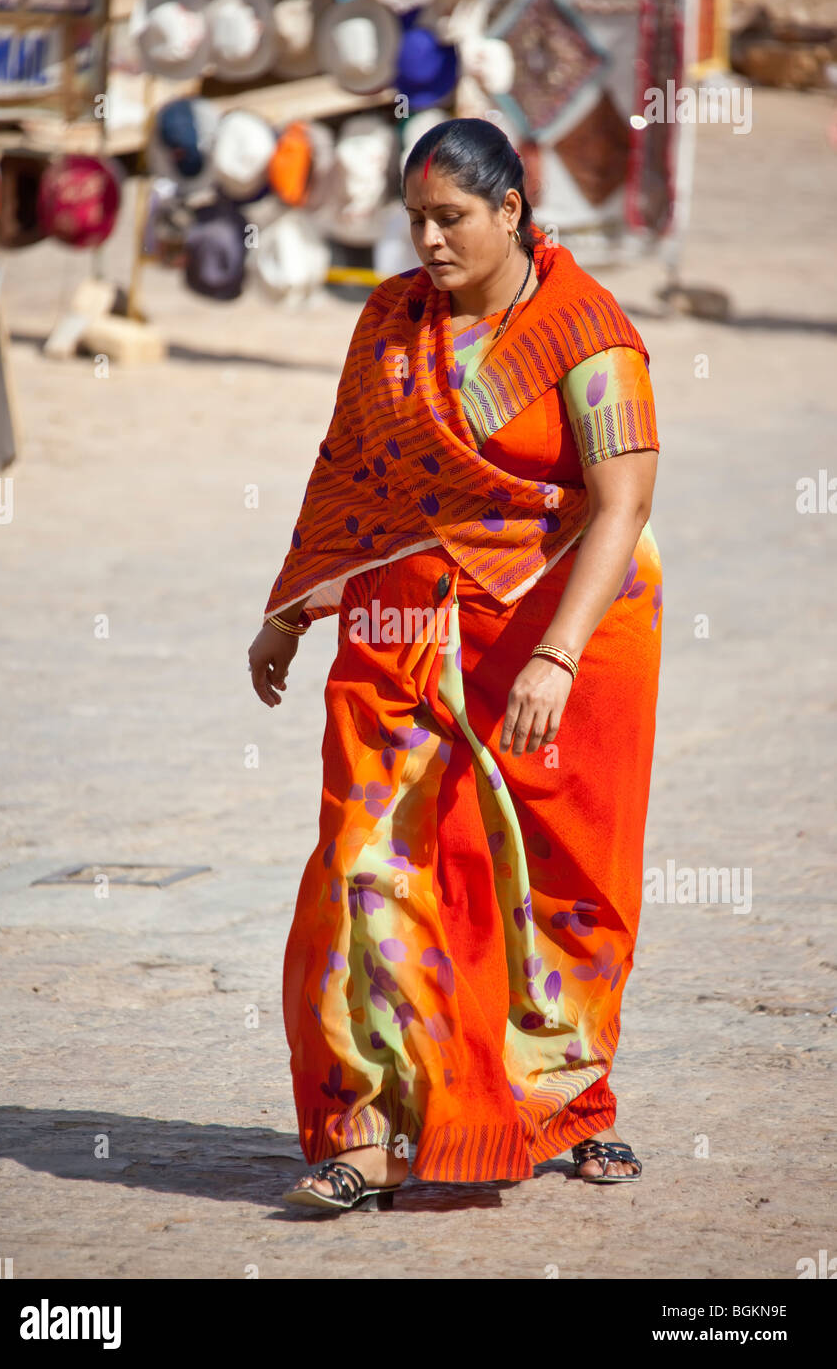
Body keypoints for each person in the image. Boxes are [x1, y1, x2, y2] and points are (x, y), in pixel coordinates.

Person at [248, 118, 662, 1212]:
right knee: (363, 860)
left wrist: (557, 661)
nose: (429, 241)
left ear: (512, 213)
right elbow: (350, 470)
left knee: (557, 879)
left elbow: (622, 503)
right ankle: (366, 1126)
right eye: (416, 220)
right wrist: (290, 612)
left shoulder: (590, 334)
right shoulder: (391, 321)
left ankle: (566, 1102)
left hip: (561, 624)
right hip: (397, 631)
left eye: (453, 219)